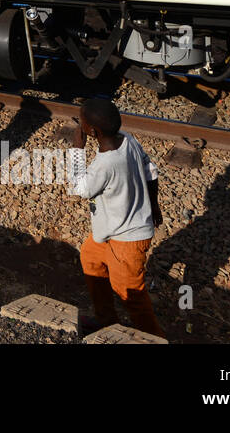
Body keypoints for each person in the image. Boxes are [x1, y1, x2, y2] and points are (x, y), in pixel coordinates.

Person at [66, 97, 164, 337]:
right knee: (90, 260)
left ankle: (154, 339)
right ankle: (107, 322)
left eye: (82, 122)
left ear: (92, 131)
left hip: (127, 240)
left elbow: (80, 188)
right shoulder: (128, 140)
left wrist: (78, 149)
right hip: (110, 231)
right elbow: (151, 170)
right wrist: (154, 205)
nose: (80, 126)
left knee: (131, 295)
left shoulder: (105, 164)